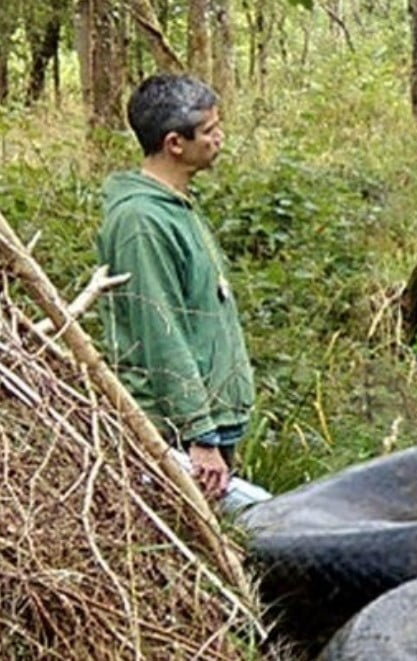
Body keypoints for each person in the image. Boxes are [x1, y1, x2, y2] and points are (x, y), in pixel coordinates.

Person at [97, 73, 254, 501]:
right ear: (174, 144)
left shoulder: (175, 208)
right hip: (177, 435)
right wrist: (199, 436)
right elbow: (159, 332)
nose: (219, 138)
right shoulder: (141, 223)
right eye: (209, 130)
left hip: (209, 422)